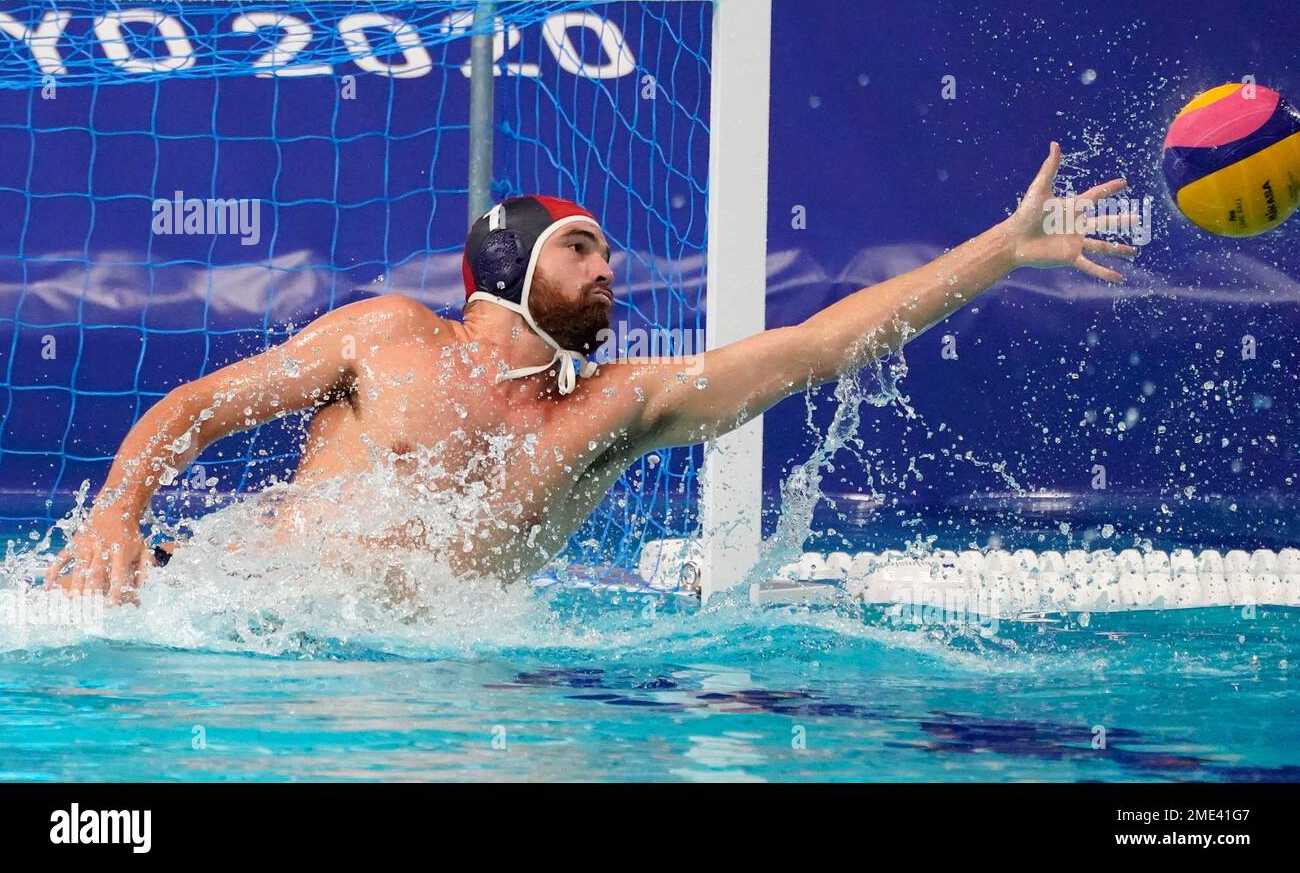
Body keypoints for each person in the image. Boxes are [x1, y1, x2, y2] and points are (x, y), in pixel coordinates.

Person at [46, 142, 1136, 604]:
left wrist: (997, 250)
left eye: (609, 254)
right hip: (240, 627)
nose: (611, 269)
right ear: (509, 264)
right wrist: (110, 515)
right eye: (584, 248)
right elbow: (196, 407)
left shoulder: (618, 406)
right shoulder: (387, 336)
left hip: (441, 677)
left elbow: (821, 344)